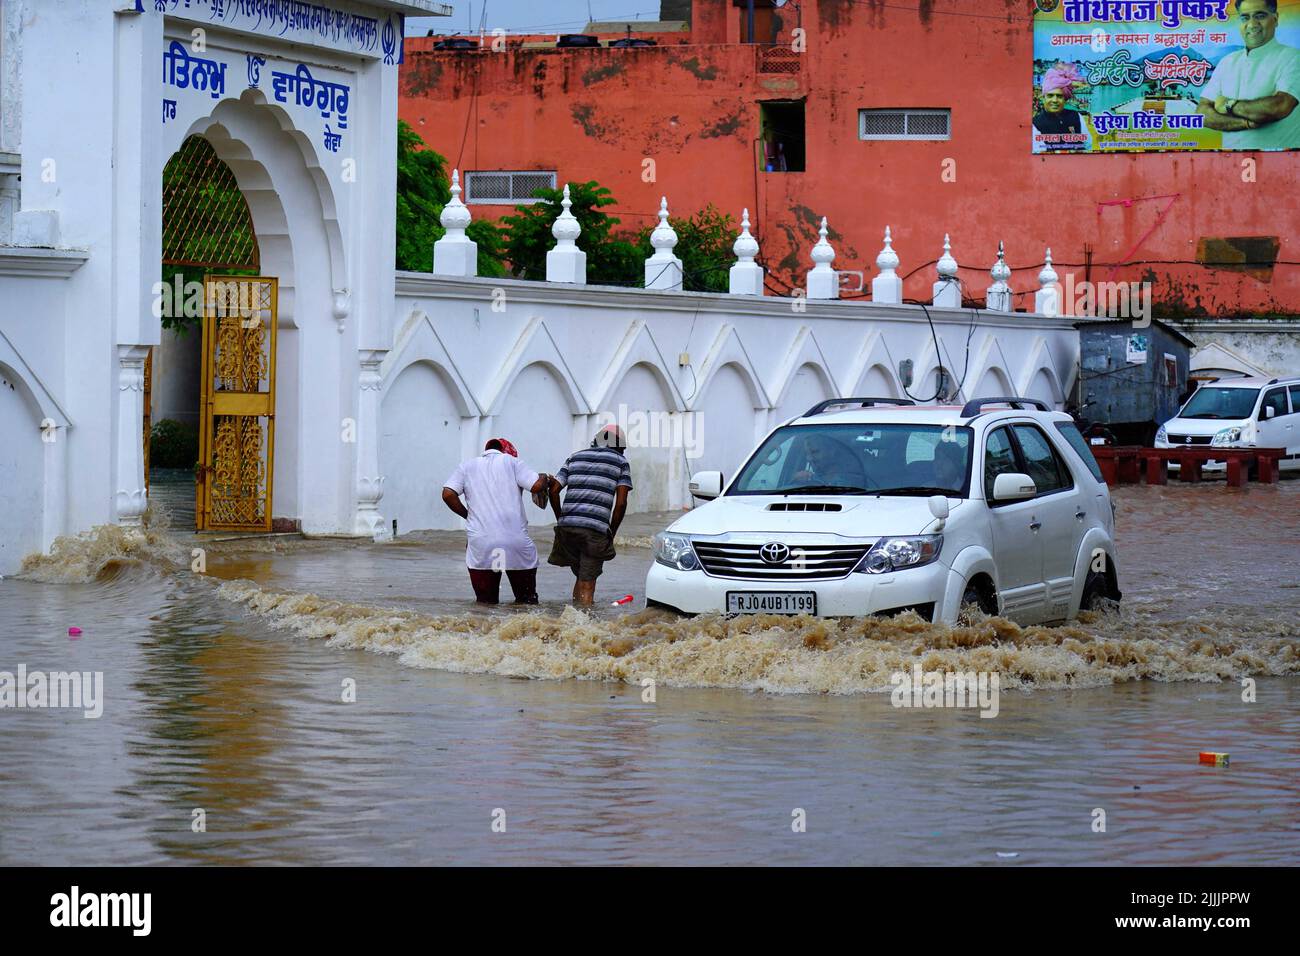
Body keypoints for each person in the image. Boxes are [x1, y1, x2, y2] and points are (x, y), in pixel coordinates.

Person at [442, 438, 552, 605]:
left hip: (482, 544)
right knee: (526, 603)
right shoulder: (513, 462)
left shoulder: (466, 466)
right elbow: (536, 486)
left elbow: (448, 494)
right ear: (508, 452)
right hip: (515, 544)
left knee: (485, 605)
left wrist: (469, 516)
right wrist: (544, 477)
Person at [547, 425, 633, 606]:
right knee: (588, 584)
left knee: (580, 576)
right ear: (620, 446)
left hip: (567, 528)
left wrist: (560, 519)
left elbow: (554, 490)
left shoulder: (574, 457)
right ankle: (584, 626)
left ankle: (573, 621)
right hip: (594, 531)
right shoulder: (620, 462)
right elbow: (621, 503)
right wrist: (612, 531)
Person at [1197, 0, 1300, 149]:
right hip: (1228, 159)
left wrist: (1228, 104)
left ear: (1275, 19)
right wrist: (1246, 123)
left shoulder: (1293, 57)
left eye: (1260, 16)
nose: (1252, 24)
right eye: (1245, 18)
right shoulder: (1227, 62)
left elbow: (1279, 106)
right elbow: (1203, 113)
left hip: (1279, 159)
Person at [1032, 62, 1093, 153]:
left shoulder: (1076, 116)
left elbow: (1088, 145)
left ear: (1065, 99)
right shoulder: (1036, 124)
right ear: (1043, 97)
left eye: (1059, 96)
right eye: (1050, 96)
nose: (1055, 100)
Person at [791, 433, 863, 488]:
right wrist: (794, 480)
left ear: (832, 451)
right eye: (807, 453)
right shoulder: (807, 480)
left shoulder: (854, 481)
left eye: (815, 452)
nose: (809, 458)